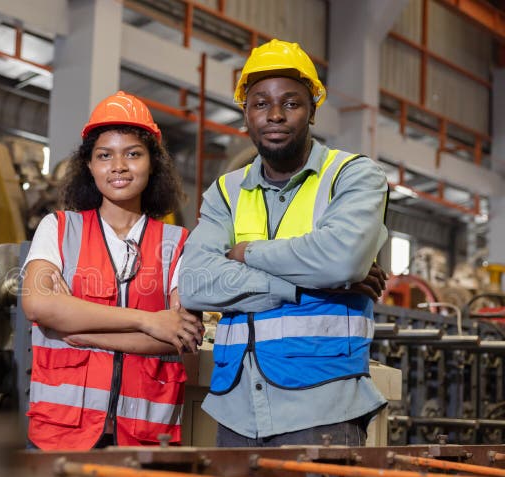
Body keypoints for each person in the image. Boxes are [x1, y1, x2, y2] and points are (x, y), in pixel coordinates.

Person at [178, 39, 389, 447]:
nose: (274, 115)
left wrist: (243, 254)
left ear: (312, 109)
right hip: (236, 409)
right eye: (260, 104)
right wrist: (300, 285)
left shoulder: (352, 175)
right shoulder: (226, 191)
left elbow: (341, 261)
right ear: (245, 114)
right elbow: (195, 283)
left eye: (290, 103)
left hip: (324, 403)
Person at [22, 91, 203, 450]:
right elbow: (39, 305)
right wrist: (147, 320)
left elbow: (182, 336)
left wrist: (83, 331)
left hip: (148, 438)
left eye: (133, 153)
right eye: (104, 155)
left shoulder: (179, 243)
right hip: (61, 433)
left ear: (153, 162)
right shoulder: (58, 228)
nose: (118, 166)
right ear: (89, 165)